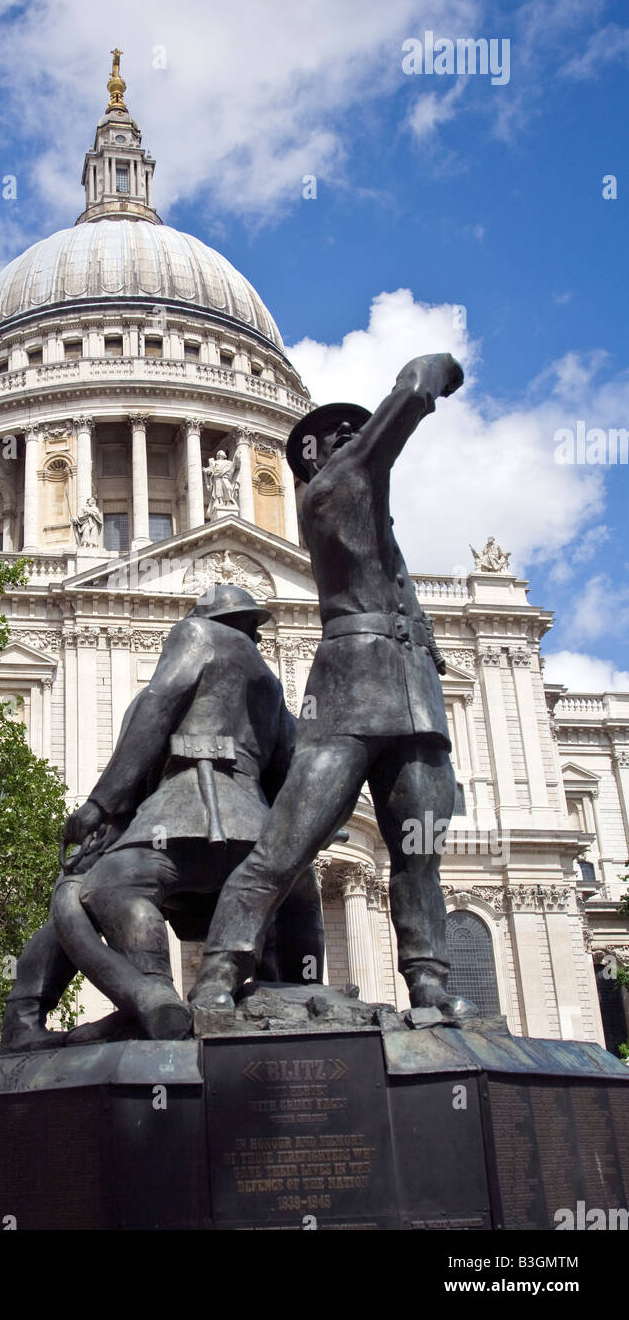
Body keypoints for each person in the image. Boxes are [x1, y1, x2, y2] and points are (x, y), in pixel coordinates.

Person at [190, 353, 476, 1019]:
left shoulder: (371, 512)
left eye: (356, 430)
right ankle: (220, 972)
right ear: (310, 460)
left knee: (419, 854)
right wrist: (433, 370)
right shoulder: (334, 487)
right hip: (350, 691)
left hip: (413, 697)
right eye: (337, 434)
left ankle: (428, 984)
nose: (352, 437)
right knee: (287, 843)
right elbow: (406, 395)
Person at [0, 585, 326, 1046]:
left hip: (188, 815)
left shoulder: (197, 633)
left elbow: (157, 707)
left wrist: (100, 804)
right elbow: (292, 764)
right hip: (255, 835)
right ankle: (295, 998)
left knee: (99, 889)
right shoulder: (270, 684)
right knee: (291, 900)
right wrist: (302, 836)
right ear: (249, 624)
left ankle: (150, 997)